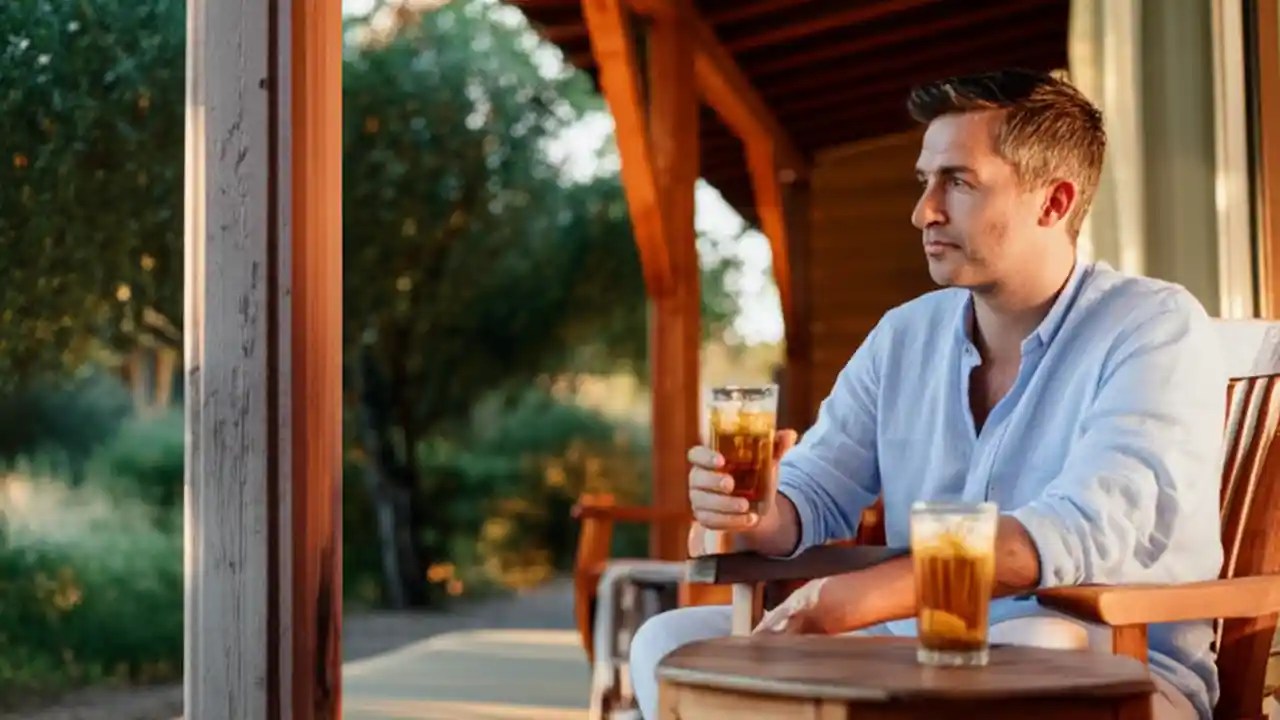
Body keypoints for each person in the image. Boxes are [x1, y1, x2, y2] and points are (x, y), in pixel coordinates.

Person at [628, 68, 1226, 720]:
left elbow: (1071, 532)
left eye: (958, 182)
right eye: (925, 182)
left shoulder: (1152, 327)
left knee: (1035, 642)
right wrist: (757, 510)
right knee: (668, 642)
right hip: (918, 647)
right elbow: (816, 491)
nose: (924, 211)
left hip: (1108, 659)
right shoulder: (904, 336)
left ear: (1053, 203)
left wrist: (844, 602)